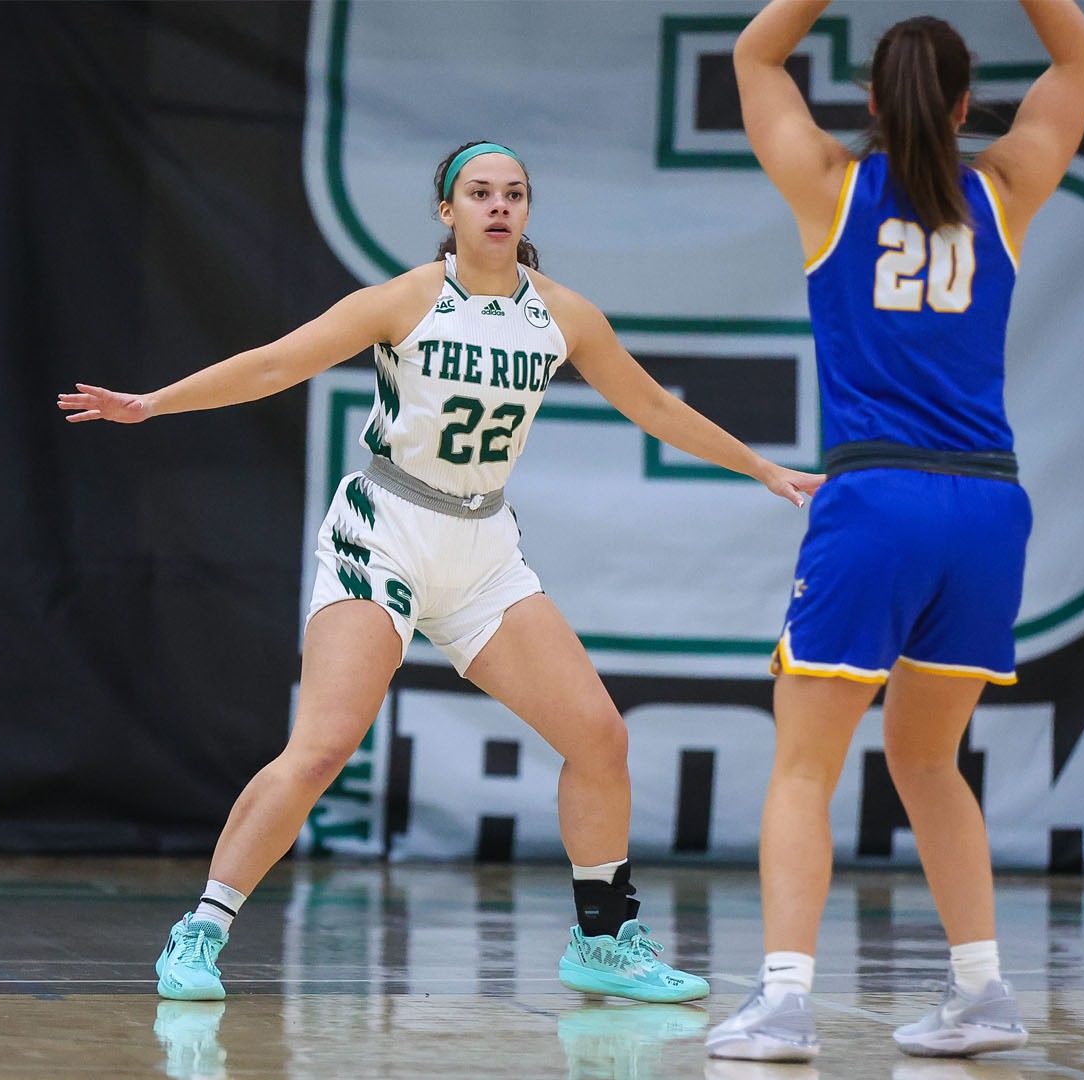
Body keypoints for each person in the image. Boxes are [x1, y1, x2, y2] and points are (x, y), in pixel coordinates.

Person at [59, 140, 821, 1004]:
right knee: (321, 750)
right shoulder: (405, 300)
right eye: (480, 192)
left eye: (515, 193)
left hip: (482, 547)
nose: (499, 205)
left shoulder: (563, 315)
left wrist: (761, 468)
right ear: (446, 211)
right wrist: (155, 402)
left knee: (600, 737)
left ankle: (603, 940)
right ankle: (201, 929)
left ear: (527, 212)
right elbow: (278, 363)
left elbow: (651, 405)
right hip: (384, 530)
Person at [705, 0, 1084, 1063]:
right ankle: (984, 991)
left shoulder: (831, 186)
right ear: (970, 103)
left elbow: (756, 51)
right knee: (930, 761)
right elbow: (1078, 52)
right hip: (987, 507)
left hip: (879, 498)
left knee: (802, 768)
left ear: (872, 100)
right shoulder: (1007, 191)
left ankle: (785, 1002)